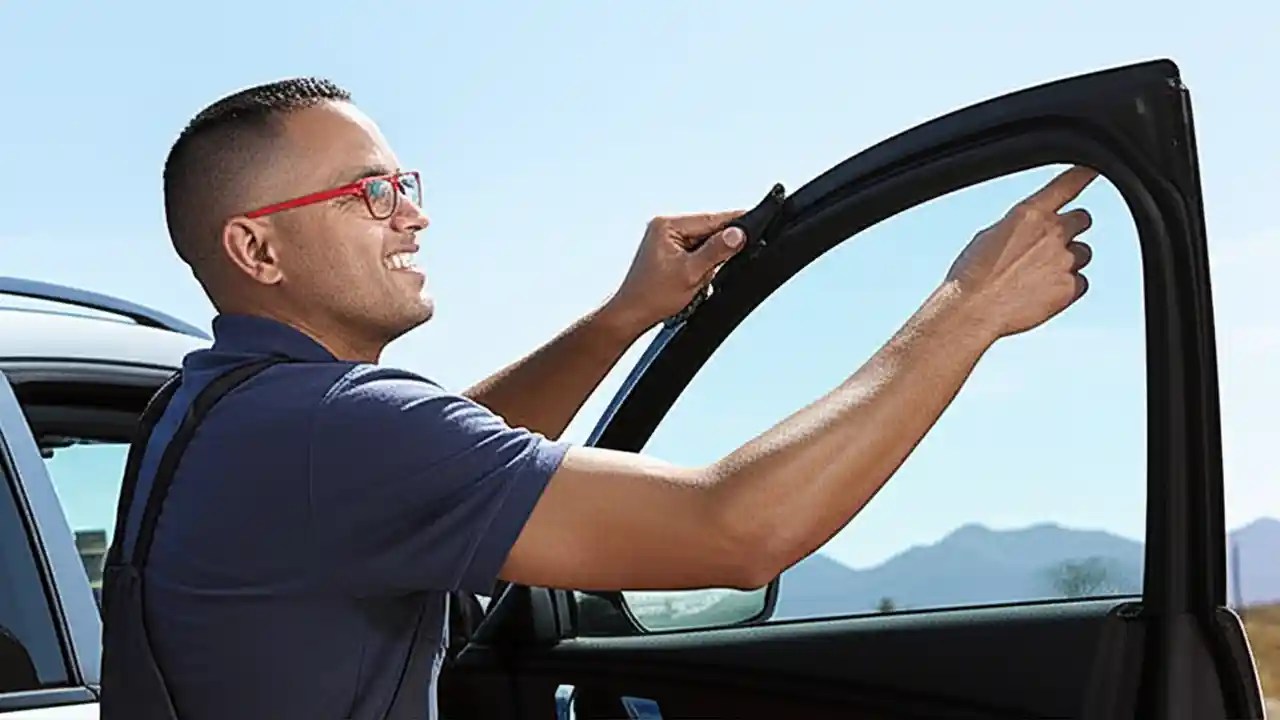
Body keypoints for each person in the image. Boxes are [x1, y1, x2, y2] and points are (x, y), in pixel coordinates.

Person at [100, 77, 1096, 719]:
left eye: (404, 182)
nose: (414, 215)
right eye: (370, 193)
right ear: (256, 248)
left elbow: (440, 462)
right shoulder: (335, 429)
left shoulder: (207, 412)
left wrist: (620, 319)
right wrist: (968, 308)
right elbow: (733, 531)